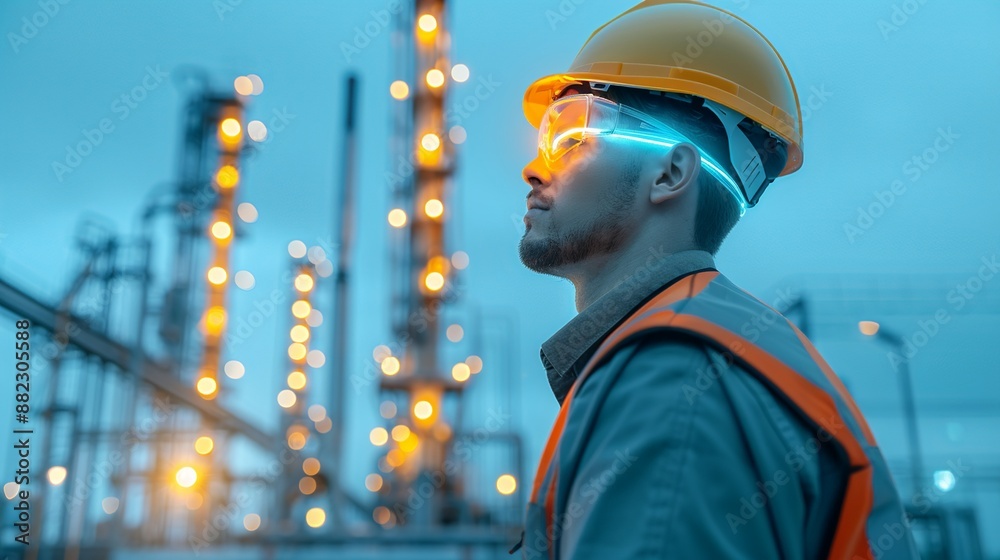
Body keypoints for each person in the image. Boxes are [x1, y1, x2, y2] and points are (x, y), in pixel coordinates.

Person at [510, 1, 920, 558]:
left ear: (671, 173)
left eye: (573, 136)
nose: (534, 168)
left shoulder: (670, 378)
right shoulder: (722, 345)